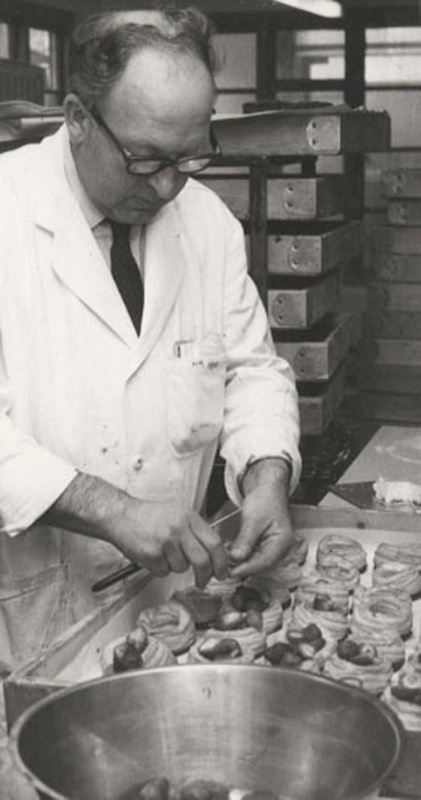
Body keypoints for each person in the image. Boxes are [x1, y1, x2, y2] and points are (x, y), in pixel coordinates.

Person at [0, 4, 301, 669]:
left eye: (191, 156)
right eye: (144, 160)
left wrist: (267, 472)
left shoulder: (208, 225)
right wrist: (109, 509)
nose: (168, 185)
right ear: (78, 118)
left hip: (169, 607)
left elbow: (250, 369)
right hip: (25, 614)